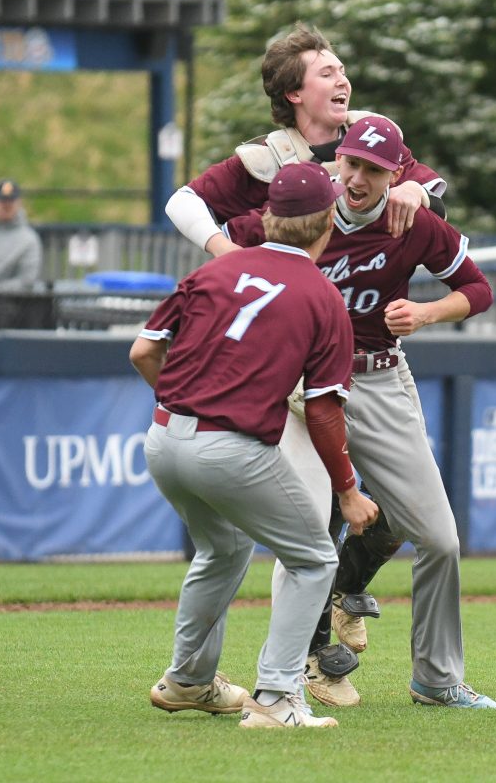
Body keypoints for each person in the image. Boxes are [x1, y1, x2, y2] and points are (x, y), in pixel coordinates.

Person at [166, 23, 446, 707]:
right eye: (325, 71)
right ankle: (293, 669)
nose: (340, 78)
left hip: (369, 360)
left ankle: (332, 611)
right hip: (296, 355)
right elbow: (182, 200)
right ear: (294, 93)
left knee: (391, 518)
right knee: (310, 521)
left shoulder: (372, 135)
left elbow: (430, 193)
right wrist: (222, 250)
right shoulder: (270, 158)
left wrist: (421, 192)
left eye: (341, 67)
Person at [223, 114, 496, 709]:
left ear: (395, 173)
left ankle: (436, 678)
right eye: (350, 162)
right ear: (337, 159)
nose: (356, 177)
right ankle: (288, 674)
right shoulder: (310, 213)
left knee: (440, 538)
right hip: (300, 386)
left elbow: (478, 290)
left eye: (373, 169)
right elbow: (224, 235)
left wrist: (426, 313)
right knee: (304, 531)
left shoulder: (413, 222)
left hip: (376, 378)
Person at [130, 161, 378, 729]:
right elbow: (321, 409)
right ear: (327, 225)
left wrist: (182, 404)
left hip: (164, 439)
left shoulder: (215, 270)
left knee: (223, 550)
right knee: (315, 559)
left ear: (267, 217)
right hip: (231, 449)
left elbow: (143, 352)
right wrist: (346, 490)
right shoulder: (321, 294)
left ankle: (188, 681)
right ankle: (276, 699)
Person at [0, 179, 42, 289]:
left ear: (19, 203)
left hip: (6, 302)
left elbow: (26, 280)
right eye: (2, 201)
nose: (6, 205)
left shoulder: (28, 240)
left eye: (11, 201)